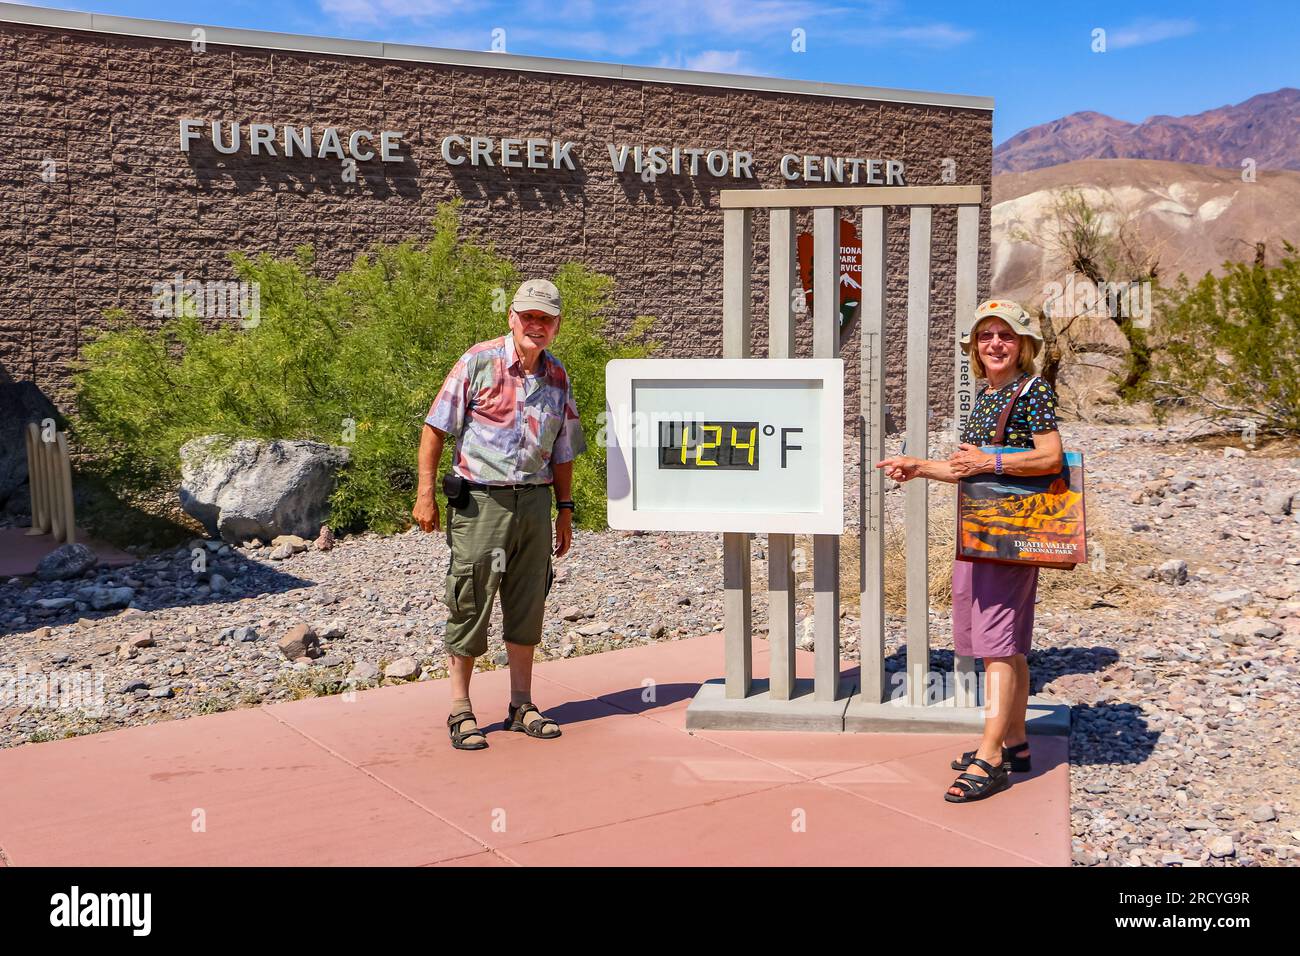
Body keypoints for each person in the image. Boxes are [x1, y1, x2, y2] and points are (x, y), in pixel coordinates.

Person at [876, 299, 1064, 802]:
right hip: (982, 534)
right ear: (975, 349)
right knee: (1003, 642)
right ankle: (1017, 741)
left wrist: (994, 461)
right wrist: (920, 466)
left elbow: (1051, 456)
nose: (995, 344)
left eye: (1006, 335)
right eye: (986, 337)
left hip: (1006, 537)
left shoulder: (1032, 391)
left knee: (996, 643)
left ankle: (991, 756)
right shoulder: (990, 395)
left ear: (1024, 345)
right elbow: (970, 467)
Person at [412, 278, 586, 751]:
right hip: (481, 501)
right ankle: (460, 708)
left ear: (557, 325)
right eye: (528, 316)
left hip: (534, 502)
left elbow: (564, 449)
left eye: (545, 318)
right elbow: (435, 429)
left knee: (528, 601)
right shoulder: (479, 361)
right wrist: (425, 494)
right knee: (470, 597)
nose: (536, 325)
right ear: (511, 317)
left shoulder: (557, 376)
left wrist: (565, 510)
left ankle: (521, 705)